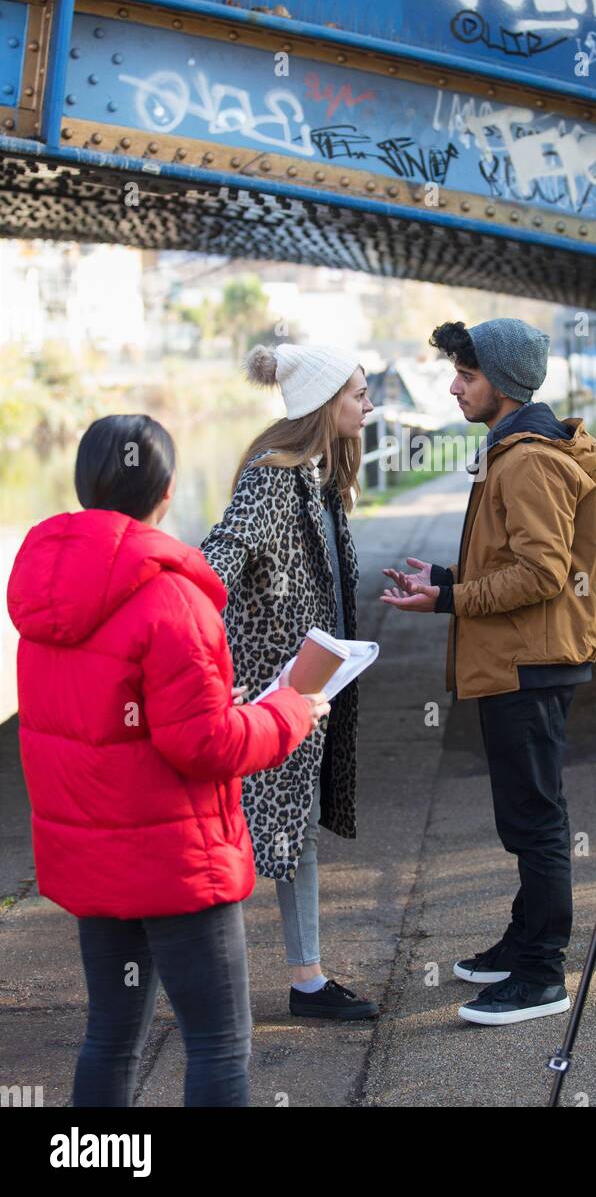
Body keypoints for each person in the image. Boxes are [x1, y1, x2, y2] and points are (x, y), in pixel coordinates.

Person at [6, 414, 327, 1107]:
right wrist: (291, 711)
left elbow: (109, 716)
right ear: (169, 490)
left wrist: (213, 701)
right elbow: (204, 744)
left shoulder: (44, 600)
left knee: (110, 1038)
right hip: (178, 861)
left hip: (95, 856)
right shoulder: (173, 596)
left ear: (84, 484)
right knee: (217, 1046)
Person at [381, 318, 596, 1025]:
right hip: (522, 657)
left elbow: (541, 574)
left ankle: (541, 972)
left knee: (536, 820)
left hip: (528, 661)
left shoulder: (527, 460)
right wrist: (447, 578)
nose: (454, 386)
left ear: (503, 384)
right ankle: (522, 942)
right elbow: (519, 561)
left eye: (468, 376)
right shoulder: (511, 449)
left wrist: (451, 597)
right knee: (526, 815)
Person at [202, 342, 378, 1021]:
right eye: (358, 393)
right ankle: (206, 981)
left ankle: (306, 981)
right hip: (262, 686)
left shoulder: (321, 476)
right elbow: (225, 550)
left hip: (308, 684)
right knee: (247, 832)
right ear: (323, 403)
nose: (368, 405)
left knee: (291, 828)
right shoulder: (273, 477)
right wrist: (166, 605)